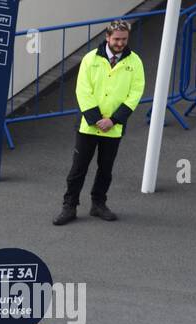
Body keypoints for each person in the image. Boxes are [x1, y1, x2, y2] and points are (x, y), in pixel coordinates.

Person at [53, 20, 145, 226]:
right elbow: (82, 90)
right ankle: (69, 206)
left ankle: (98, 204)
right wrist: (96, 120)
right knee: (78, 168)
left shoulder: (135, 62)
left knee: (106, 168)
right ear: (107, 37)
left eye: (124, 39)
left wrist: (113, 120)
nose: (120, 43)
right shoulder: (90, 59)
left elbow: (135, 93)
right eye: (116, 39)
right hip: (88, 125)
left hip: (114, 127)